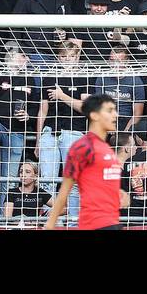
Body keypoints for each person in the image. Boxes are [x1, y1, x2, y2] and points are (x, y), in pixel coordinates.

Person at [44, 94, 122, 230]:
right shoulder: (83, 147)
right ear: (94, 115)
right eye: (110, 110)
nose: (115, 115)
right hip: (94, 224)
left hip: (113, 222)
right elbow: (64, 191)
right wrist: (50, 224)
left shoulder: (106, 148)